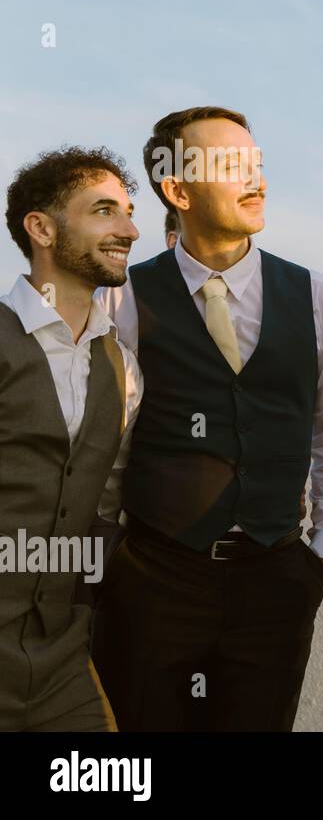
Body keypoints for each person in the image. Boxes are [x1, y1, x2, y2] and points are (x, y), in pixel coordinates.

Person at [92, 106, 323, 731]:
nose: (257, 180)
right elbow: (108, 445)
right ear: (178, 190)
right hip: (154, 583)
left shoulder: (317, 297)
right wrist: (110, 558)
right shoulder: (123, 297)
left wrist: (321, 556)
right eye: (231, 165)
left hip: (276, 582)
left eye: (257, 164)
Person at [1, 147, 142, 731]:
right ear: (42, 229)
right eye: (104, 211)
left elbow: (104, 500)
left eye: (128, 213)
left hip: (60, 661)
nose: (129, 231)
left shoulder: (123, 368)